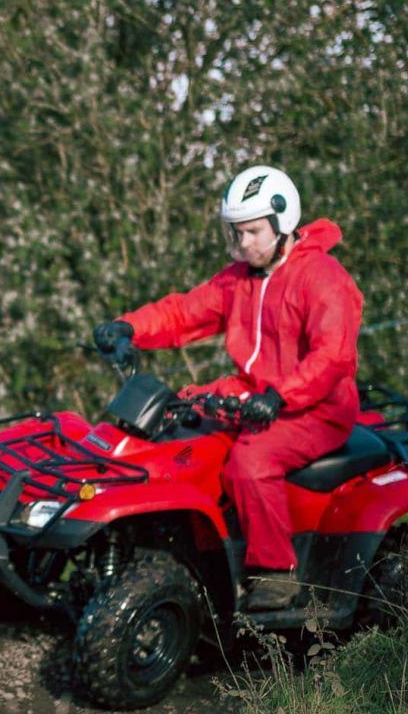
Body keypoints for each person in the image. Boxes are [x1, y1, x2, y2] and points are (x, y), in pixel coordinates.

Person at [92, 165, 363, 608]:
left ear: (283, 222)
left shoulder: (323, 278)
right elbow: (184, 313)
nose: (242, 243)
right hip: (256, 393)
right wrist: (128, 328)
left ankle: (276, 572)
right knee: (175, 420)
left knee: (250, 463)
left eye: (253, 232)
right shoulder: (240, 277)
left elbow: (332, 357)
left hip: (315, 409)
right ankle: (179, 544)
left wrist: (279, 397)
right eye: (235, 233)